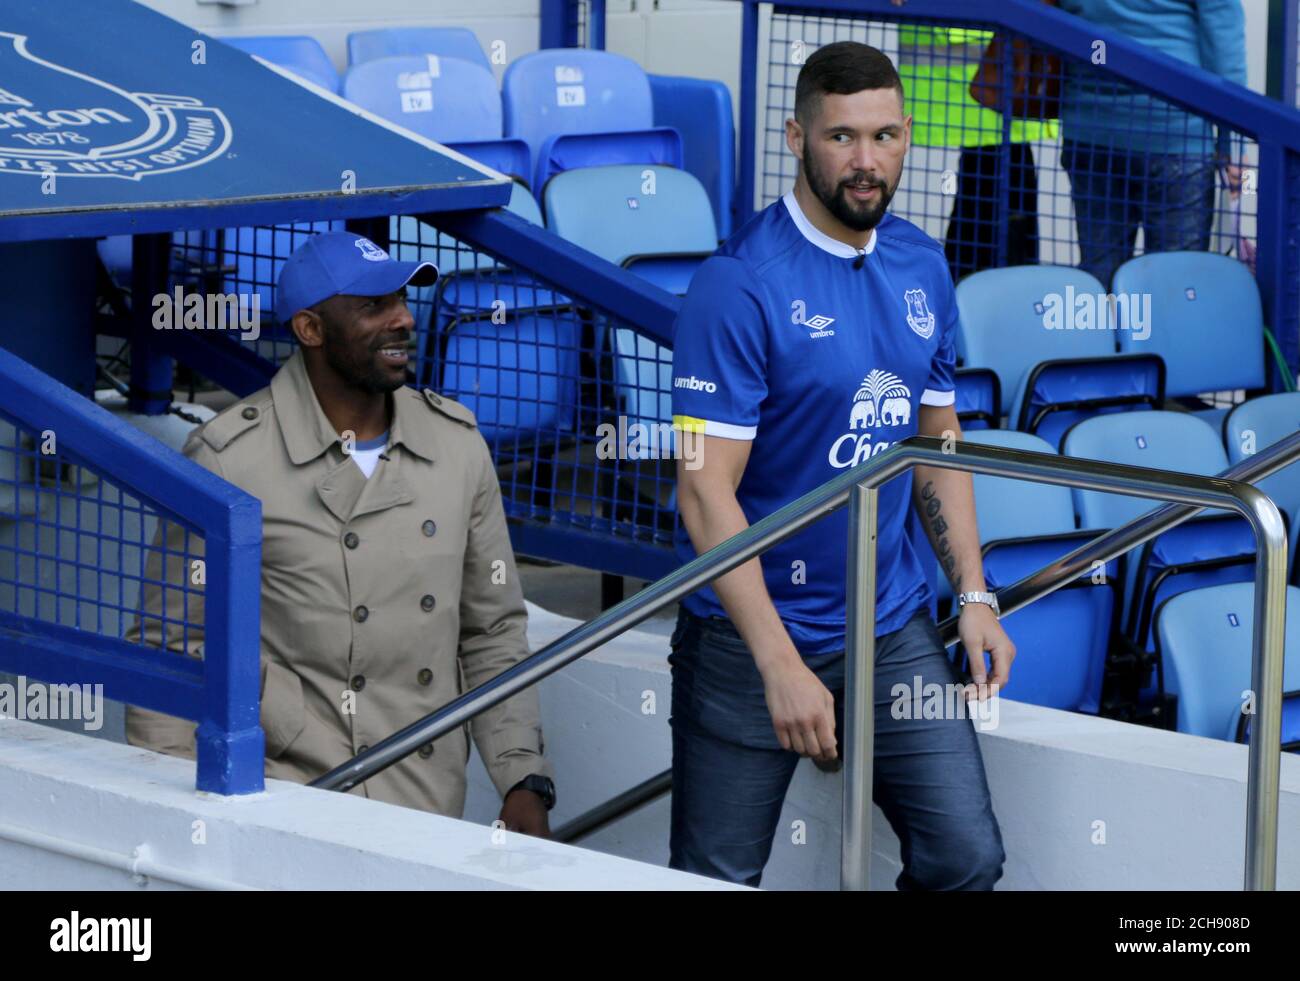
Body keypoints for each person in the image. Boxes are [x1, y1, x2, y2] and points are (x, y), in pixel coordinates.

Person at [668, 41, 1014, 889]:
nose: (867, 162)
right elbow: (702, 489)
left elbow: (936, 445)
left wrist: (971, 591)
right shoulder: (738, 284)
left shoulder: (921, 263)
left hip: (890, 626)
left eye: (887, 136)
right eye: (843, 137)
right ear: (795, 137)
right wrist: (779, 663)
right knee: (714, 878)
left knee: (966, 858)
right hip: (749, 642)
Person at [125, 231, 555, 833]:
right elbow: (172, 644)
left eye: (403, 300)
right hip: (286, 794)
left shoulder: (457, 446)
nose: (404, 318)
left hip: (423, 797)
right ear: (310, 329)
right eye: (374, 306)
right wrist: (168, 808)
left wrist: (522, 777)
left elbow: (492, 629)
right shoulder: (229, 459)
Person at [1057, 0, 1247, 287]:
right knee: (1177, 283)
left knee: (1100, 277)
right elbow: (1222, 31)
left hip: (1091, 122)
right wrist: (1230, 139)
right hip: (1176, 126)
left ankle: (1103, 333)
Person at [895, 19, 1056, 282]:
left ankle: (973, 300)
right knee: (991, 213)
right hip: (989, 93)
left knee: (991, 212)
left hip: (996, 93)